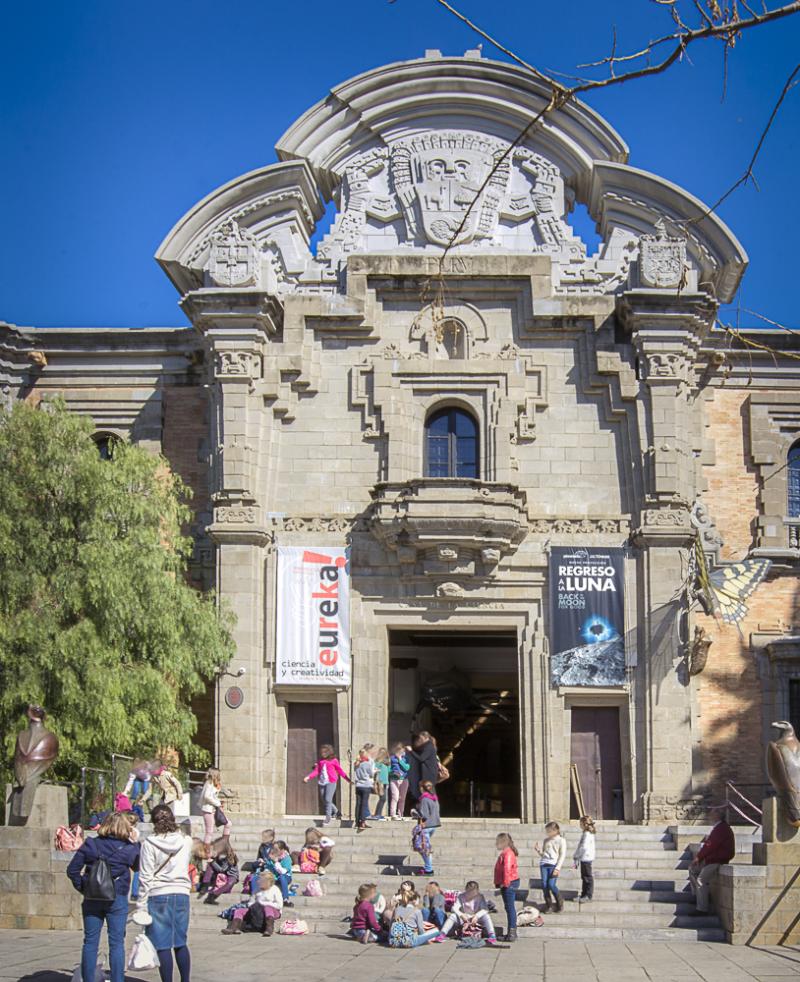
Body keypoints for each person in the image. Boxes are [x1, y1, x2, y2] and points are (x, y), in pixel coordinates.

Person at [67, 811, 140, 982]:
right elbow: (137, 867)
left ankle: (88, 979)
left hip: (92, 898)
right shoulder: (129, 848)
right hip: (117, 897)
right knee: (116, 944)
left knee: (90, 942)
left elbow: (72, 870)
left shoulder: (91, 844)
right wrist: (136, 843)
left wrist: (84, 888)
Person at [136, 804, 193, 982]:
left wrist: (141, 905)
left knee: (163, 944)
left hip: (158, 893)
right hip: (182, 893)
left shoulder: (148, 844)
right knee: (180, 942)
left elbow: (145, 877)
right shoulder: (186, 841)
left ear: (153, 822)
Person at [688, 806, 736, 915]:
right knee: (692, 869)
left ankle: (702, 908)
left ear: (717, 816)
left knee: (701, 880)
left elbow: (710, 845)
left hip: (717, 859)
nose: (709, 815)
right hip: (712, 858)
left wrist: (698, 858)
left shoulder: (721, 828)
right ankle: (698, 896)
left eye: (712, 813)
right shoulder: (719, 828)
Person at [222, 871, 283, 936]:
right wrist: (254, 905)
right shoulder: (257, 889)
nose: (258, 881)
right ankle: (234, 927)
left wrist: (264, 904)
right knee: (239, 911)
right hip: (257, 910)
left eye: (261, 880)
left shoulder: (275, 890)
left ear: (268, 882)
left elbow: (279, 905)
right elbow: (250, 903)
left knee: (267, 908)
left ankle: (269, 928)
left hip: (273, 912)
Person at [303, 744, 351, 825]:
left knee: (328, 799)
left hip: (331, 782)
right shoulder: (320, 761)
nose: (323, 754)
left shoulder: (334, 760)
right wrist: (308, 777)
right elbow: (316, 771)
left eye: (325, 752)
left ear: (329, 752)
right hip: (322, 782)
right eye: (322, 752)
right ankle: (337, 812)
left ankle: (328, 817)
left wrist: (347, 779)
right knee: (324, 800)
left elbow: (340, 770)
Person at [534, 822, 566, 913]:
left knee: (551, 885)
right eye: (546, 831)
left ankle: (560, 902)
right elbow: (544, 854)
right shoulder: (546, 840)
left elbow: (562, 855)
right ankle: (549, 906)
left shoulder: (561, 840)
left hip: (553, 865)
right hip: (544, 864)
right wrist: (539, 850)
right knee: (544, 886)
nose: (547, 833)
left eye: (549, 831)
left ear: (555, 830)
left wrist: (557, 868)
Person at [494, 832, 520, 941]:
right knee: (509, 908)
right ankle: (511, 932)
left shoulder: (508, 853)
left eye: (498, 842)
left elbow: (507, 870)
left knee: (510, 908)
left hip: (509, 883)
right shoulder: (506, 852)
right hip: (509, 882)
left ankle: (512, 933)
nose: (496, 844)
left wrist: (505, 883)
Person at [405, 732, 438, 807]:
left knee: (429, 791)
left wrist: (411, 751)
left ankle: (432, 809)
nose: (419, 740)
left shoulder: (429, 746)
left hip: (429, 773)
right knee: (426, 791)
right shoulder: (426, 746)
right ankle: (427, 809)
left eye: (420, 738)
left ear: (425, 737)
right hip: (426, 772)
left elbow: (421, 758)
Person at [200, 768, 231, 845]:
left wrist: (219, 802)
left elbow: (213, 796)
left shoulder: (213, 784)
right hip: (208, 810)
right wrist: (217, 803)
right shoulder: (209, 783)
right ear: (215, 774)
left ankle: (224, 844)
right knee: (209, 832)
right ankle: (206, 854)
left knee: (228, 824)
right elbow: (206, 796)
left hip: (214, 810)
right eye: (218, 774)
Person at [572, 815, 596, 904]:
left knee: (587, 877)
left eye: (580, 823)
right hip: (584, 858)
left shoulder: (587, 834)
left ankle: (588, 895)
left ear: (585, 824)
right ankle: (583, 894)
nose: (580, 825)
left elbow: (584, 847)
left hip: (586, 857)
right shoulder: (586, 833)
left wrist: (577, 855)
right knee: (584, 877)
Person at [354, 746, 376, 832]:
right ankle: (362, 822)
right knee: (364, 804)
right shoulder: (367, 763)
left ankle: (357, 821)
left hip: (358, 785)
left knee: (358, 804)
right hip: (366, 785)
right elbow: (371, 773)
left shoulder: (356, 763)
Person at [389, 742, 411, 820]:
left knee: (402, 798)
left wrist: (400, 759)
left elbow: (407, 768)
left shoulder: (406, 758)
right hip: (394, 779)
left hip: (404, 780)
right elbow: (389, 768)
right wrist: (392, 772)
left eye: (401, 750)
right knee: (395, 796)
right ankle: (393, 814)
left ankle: (400, 814)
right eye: (398, 750)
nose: (400, 751)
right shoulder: (392, 758)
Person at [370, 748, 390, 820]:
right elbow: (374, 771)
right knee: (383, 798)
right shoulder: (377, 763)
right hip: (380, 783)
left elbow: (389, 772)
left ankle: (378, 814)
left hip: (385, 783)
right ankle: (377, 814)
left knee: (383, 799)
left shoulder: (386, 763)